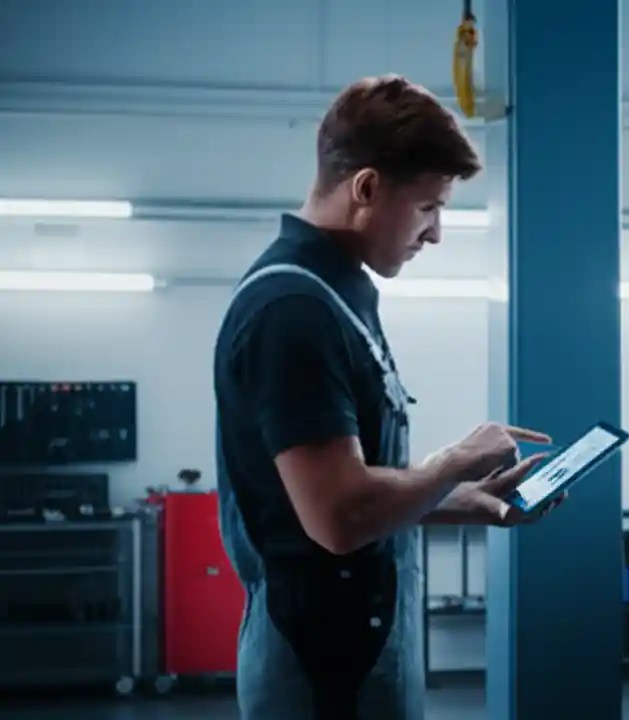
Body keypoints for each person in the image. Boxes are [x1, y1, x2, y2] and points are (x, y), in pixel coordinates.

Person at [213, 74, 557, 720]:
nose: (434, 234)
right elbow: (338, 517)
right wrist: (454, 460)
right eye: (429, 207)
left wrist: (461, 501)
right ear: (367, 189)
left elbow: (343, 495)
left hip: (358, 646)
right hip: (318, 667)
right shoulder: (291, 310)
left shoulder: (337, 298)